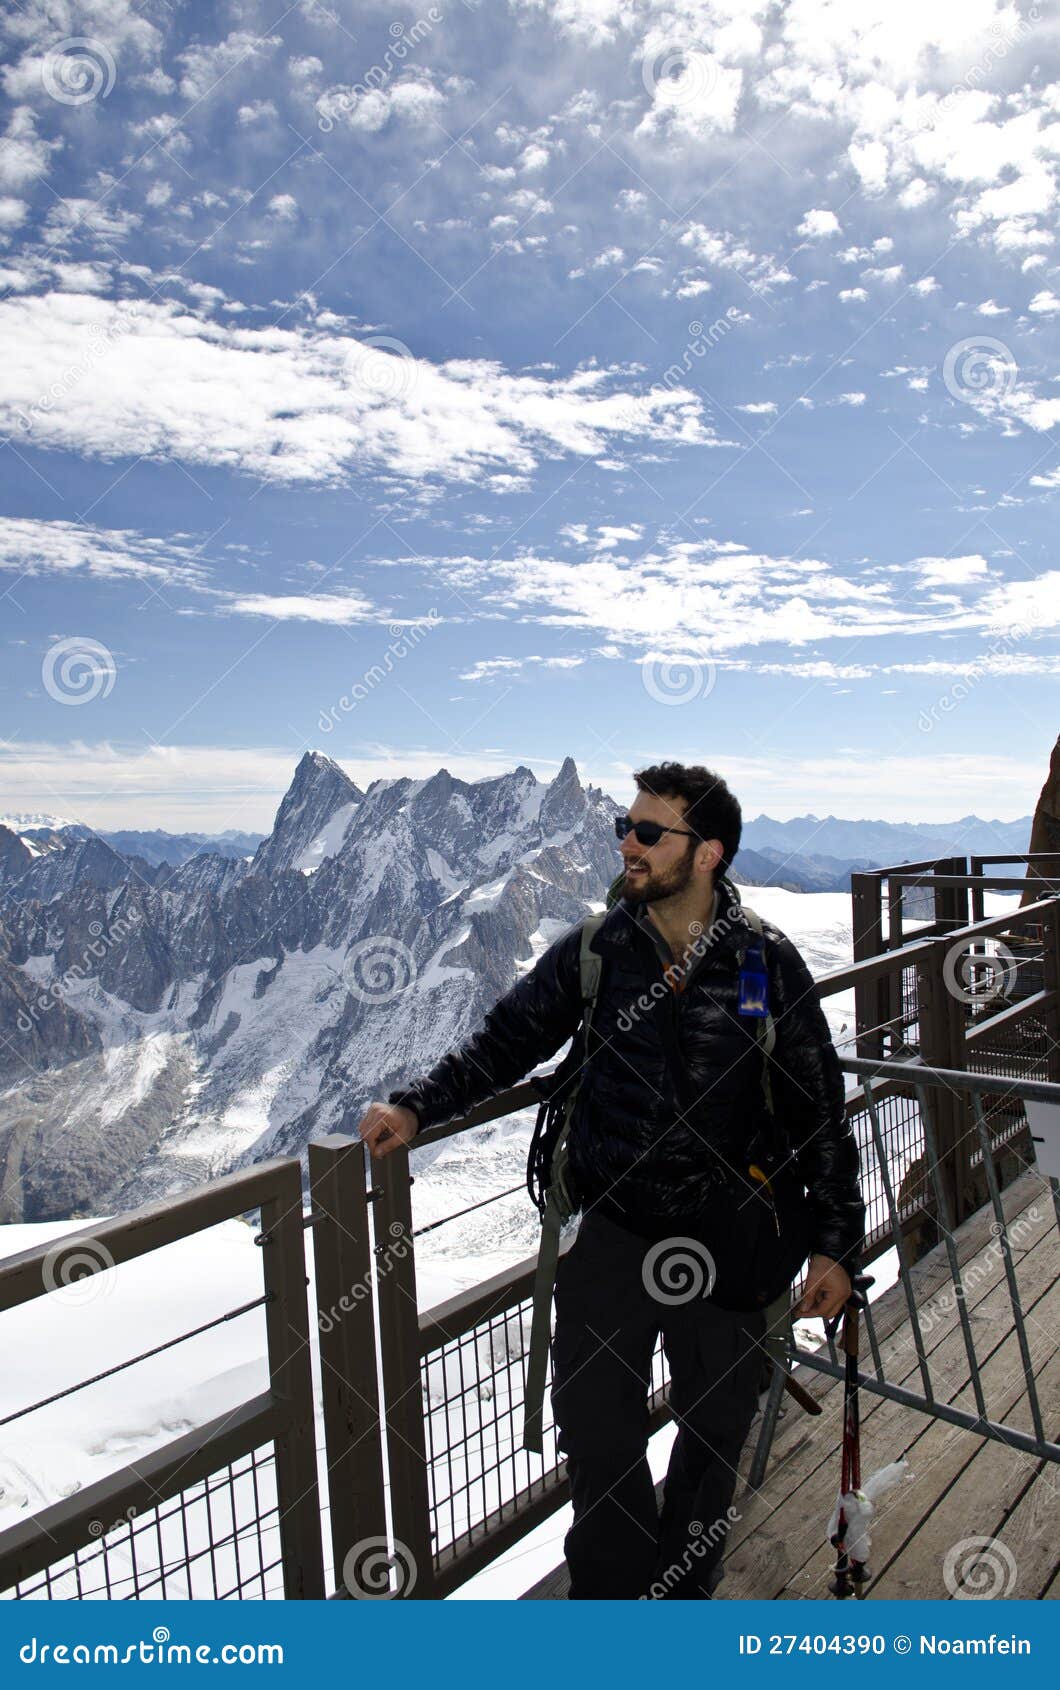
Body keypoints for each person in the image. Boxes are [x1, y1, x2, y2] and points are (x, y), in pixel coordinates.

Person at [357, 761, 865, 1600]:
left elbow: (818, 1111)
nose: (627, 845)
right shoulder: (598, 950)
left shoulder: (764, 963)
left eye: (648, 833)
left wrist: (836, 1248)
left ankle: (680, 1607)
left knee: (710, 1443)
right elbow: (506, 1039)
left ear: (708, 854)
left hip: (730, 1242)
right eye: (624, 829)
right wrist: (417, 1107)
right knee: (598, 1439)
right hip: (616, 1236)